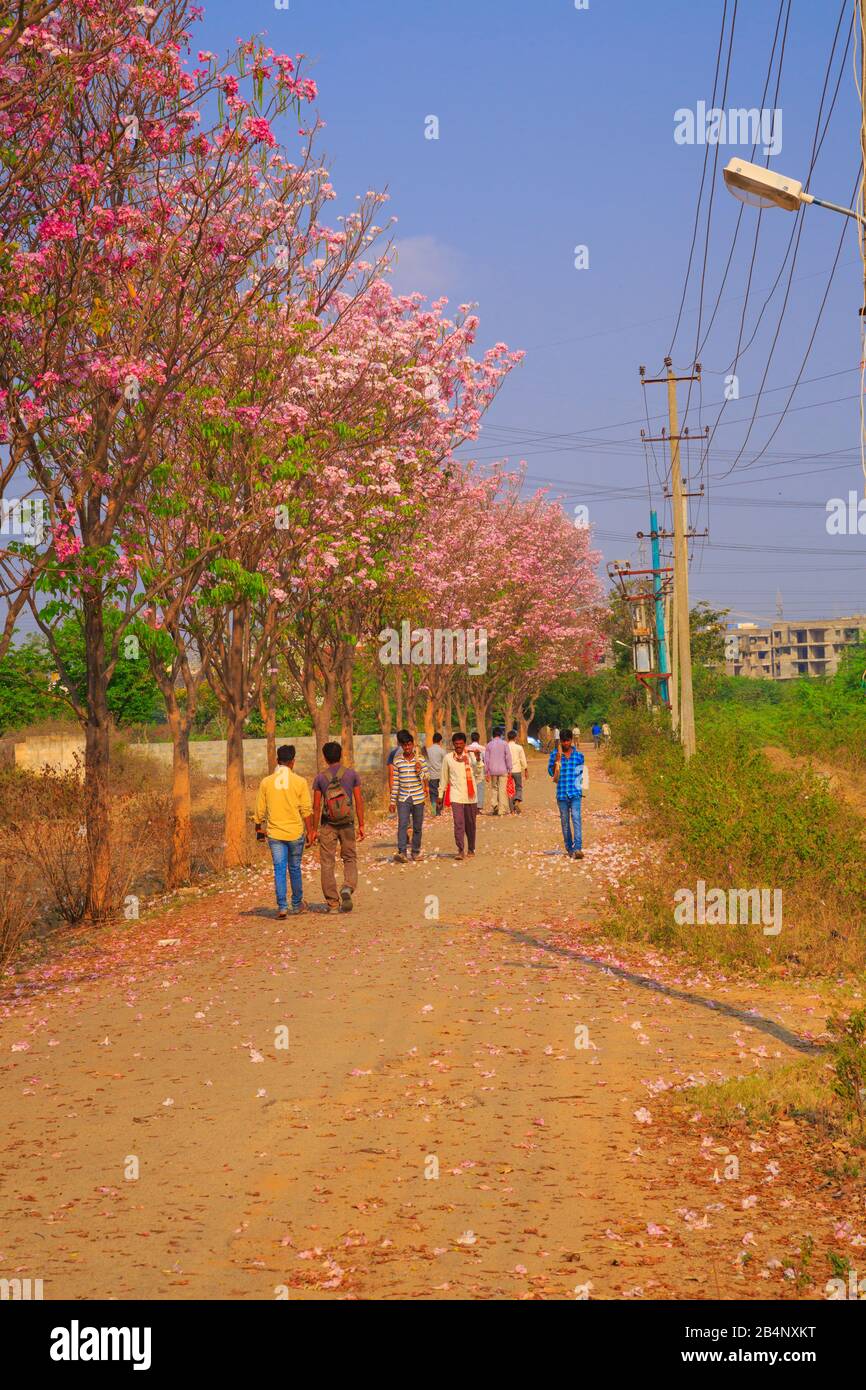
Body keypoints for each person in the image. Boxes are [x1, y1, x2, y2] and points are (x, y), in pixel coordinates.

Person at [255, 744, 314, 917]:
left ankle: (282, 906)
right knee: (294, 868)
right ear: (293, 762)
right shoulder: (300, 782)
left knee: (279, 869)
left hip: (275, 833)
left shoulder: (266, 782)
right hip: (295, 832)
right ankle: (296, 904)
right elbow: (306, 810)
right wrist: (310, 832)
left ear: (277, 761)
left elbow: (259, 810)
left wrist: (259, 830)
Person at [310, 741, 364, 913]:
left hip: (328, 825)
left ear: (325, 758)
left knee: (327, 863)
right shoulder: (351, 775)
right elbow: (358, 801)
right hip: (347, 824)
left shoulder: (320, 778)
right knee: (349, 858)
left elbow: (317, 806)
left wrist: (313, 829)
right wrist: (361, 824)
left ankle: (333, 903)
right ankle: (348, 887)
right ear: (340, 755)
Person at [388, 729, 428, 863]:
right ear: (401, 746)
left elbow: (426, 777)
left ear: (413, 745)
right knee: (402, 825)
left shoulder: (420, 759)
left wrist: (419, 771)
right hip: (403, 798)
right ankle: (402, 852)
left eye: (409, 745)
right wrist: (392, 801)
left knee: (417, 826)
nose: (407, 748)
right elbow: (396, 783)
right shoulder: (398, 762)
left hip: (418, 798)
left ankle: (415, 851)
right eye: (404, 745)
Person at [437, 732, 479, 860]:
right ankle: (460, 849)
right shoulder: (448, 758)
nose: (459, 746)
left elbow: (479, 775)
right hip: (456, 796)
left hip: (471, 796)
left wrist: (478, 760)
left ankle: (471, 848)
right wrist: (440, 795)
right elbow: (444, 778)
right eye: (456, 744)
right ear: (453, 745)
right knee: (459, 823)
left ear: (464, 744)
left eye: (461, 744)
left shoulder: (471, 757)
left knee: (470, 824)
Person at [548, 728, 585, 860]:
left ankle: (578, 848)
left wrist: (581, 790)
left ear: (571, 740)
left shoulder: (579, 756)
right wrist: (556, 761)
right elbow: (552, 774)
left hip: (575, 793)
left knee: (576, 818)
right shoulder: (554, 755)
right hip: (562, 794)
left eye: (567, 741)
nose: (565, 744)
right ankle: (569, 847)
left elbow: (582, 775)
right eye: (563, 741)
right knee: (565, 822)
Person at [484, 725, 513, 816]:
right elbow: (508, 757)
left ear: (493, 735)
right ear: (501, 734)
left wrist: (487, 772)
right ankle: (502, 809)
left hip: (492, 770)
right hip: (503, 769)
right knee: (502, 789)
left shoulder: (489, 745)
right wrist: (510, 769)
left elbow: (486, 759)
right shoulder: (504, 744)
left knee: (494, 788)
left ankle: (494, 805)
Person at [506, 729, 528, 813]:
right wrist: (525, 769)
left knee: (509, 789)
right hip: (517, 770)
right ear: (515, 737)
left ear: (508, 738)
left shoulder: (506, 747)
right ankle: (517, 801)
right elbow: (523, 759)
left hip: (508, 771)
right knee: (518, 787)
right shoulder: (519, 747)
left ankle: (511, 808)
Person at [426, 732, 446, 815]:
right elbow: (445, 763)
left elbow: (426, 763)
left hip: (432, 775)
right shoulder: (442, 751)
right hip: (441, 775)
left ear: (432, 740)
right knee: (441, 793)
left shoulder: (428, 750)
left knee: (433, 793)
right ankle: (439, 810)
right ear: (440, 741)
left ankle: (434, 808)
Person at [467, 731, 486, 813]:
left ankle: (472, 806)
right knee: (480, 788)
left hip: (470, 770)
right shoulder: (482, 748)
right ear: (479, 739)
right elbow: (485, 759)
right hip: (480, 769)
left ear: (471, 739)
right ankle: (478, 808)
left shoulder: (467, 748)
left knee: (472, 787)